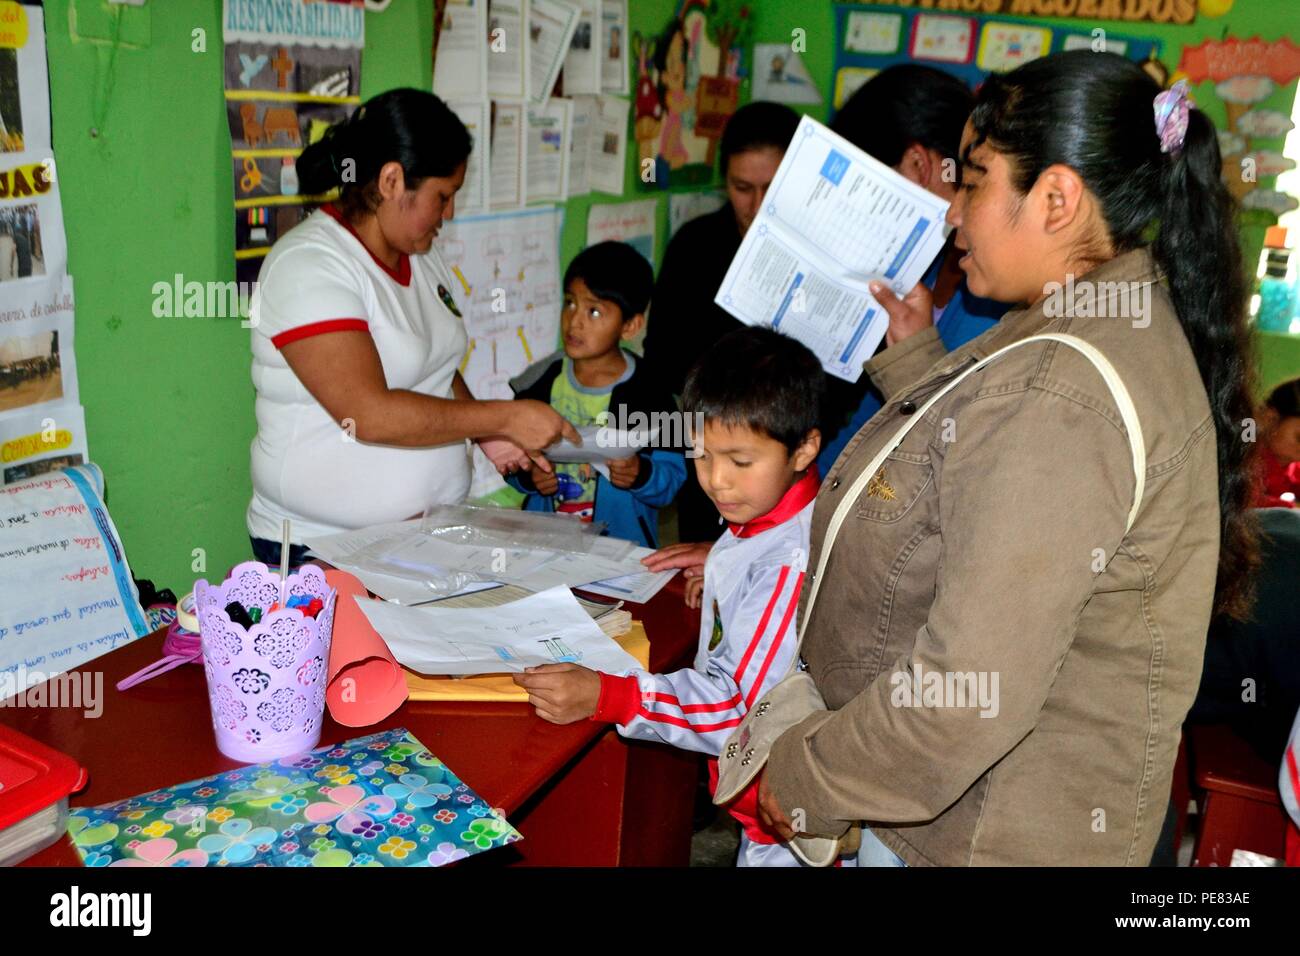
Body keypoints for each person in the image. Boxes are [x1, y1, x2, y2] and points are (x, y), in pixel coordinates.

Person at [753, 53, 1259, 866]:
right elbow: (991, 471)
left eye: (974, 182)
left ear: (1056, 198)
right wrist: (919, 363)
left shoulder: (1066, 392)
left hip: (985, 837)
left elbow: (965, 693)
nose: (953, 215)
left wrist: (813, 773)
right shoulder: (1106, 316)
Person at [513, 327, 839, 866]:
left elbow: (739, 713)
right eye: (703, 457)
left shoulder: (785, 563)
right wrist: (725, 563)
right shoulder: (771, 518)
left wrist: (610, 697)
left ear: (804, 447)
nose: (717, 482)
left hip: (781, 821)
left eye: (739, 462)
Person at [247, 89, 577, 565]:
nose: (450, 214)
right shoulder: (310, 266)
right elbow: (368, 414)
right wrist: (502, 417)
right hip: (319, 548)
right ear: (391, 180)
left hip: (423, 535)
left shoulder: (420, 254)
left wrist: (491, 439)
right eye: (443, 196)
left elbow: (437, 367)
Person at [818, 65, 1010, 473]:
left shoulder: (1000, 286)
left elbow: (968, 451)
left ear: (918, 164)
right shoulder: (924, 266)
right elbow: (874, 415)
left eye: (863, 185)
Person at [642, 100, 801, 544]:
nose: (757, 206)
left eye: (773, 188)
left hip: (798, 469)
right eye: (742, 187)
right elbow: (661, 362)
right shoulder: (695, 245)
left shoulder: (828, 259)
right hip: (713, 468)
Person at [505, 242, 685, 547]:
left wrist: (641, 475)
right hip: (543, 547)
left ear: (630, 325)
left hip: (621, 551)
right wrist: (529, 477)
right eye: (570, 303)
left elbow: (675, 477)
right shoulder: (538, 381)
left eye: (594, 310)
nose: (575, 321)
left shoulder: (654, 391)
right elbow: (510, 456)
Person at [1253, 379, 1300, 507]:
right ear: (1270, 419)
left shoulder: (1291, 466)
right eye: (1299, 438)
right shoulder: (1243, 453)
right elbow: (1244, 502)